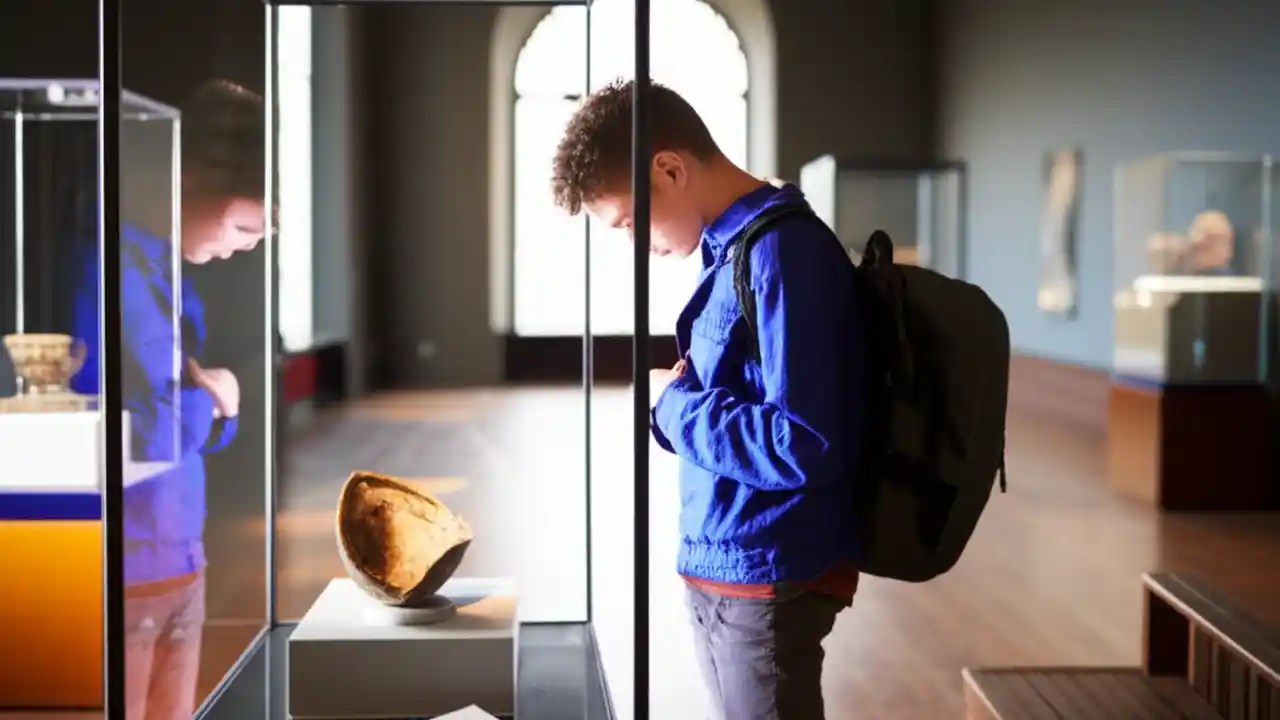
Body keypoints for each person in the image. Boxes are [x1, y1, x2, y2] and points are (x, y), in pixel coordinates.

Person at [552, 79, 863, 720]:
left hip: (763, 573)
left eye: (631, 220)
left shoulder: (784, 253)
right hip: (725, 565)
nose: (636, 242)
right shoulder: (730, 249)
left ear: (669, 168)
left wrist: (671, 405)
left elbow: (804, 441)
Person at [70, 78, 266, 720]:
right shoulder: (104, 271)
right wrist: (212, 404)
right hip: (125, 562)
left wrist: (209, 407)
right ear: (189, 175)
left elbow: (178, 405)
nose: (247, 243)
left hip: (178, 551)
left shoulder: (164, 272)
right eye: (244, 225)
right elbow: (109, 433)